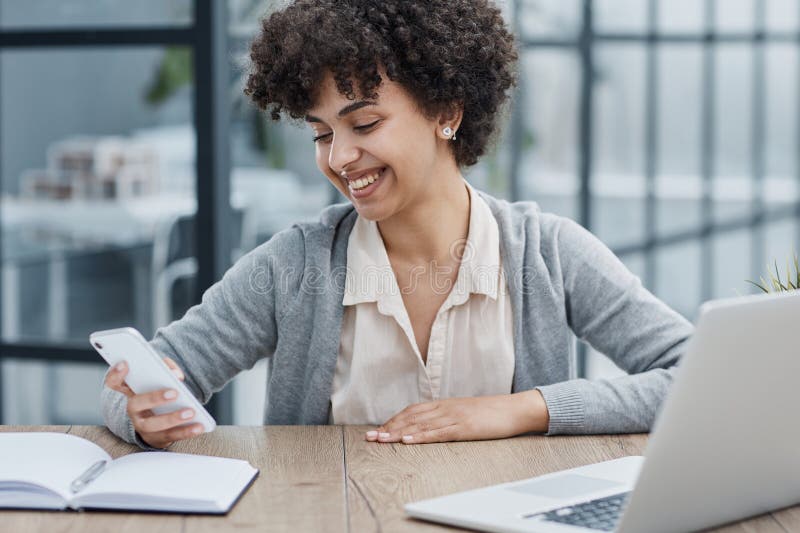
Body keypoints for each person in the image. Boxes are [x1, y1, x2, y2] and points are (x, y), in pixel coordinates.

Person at [102, 0, 692, 450]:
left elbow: (697, 376)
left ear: (446, 112)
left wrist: (522, 409)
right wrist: (139, 413)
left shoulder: (549, 254)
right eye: (322, 133)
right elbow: (145, 379)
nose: (339, 158)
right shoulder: (294, 266)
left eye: (364, 124)